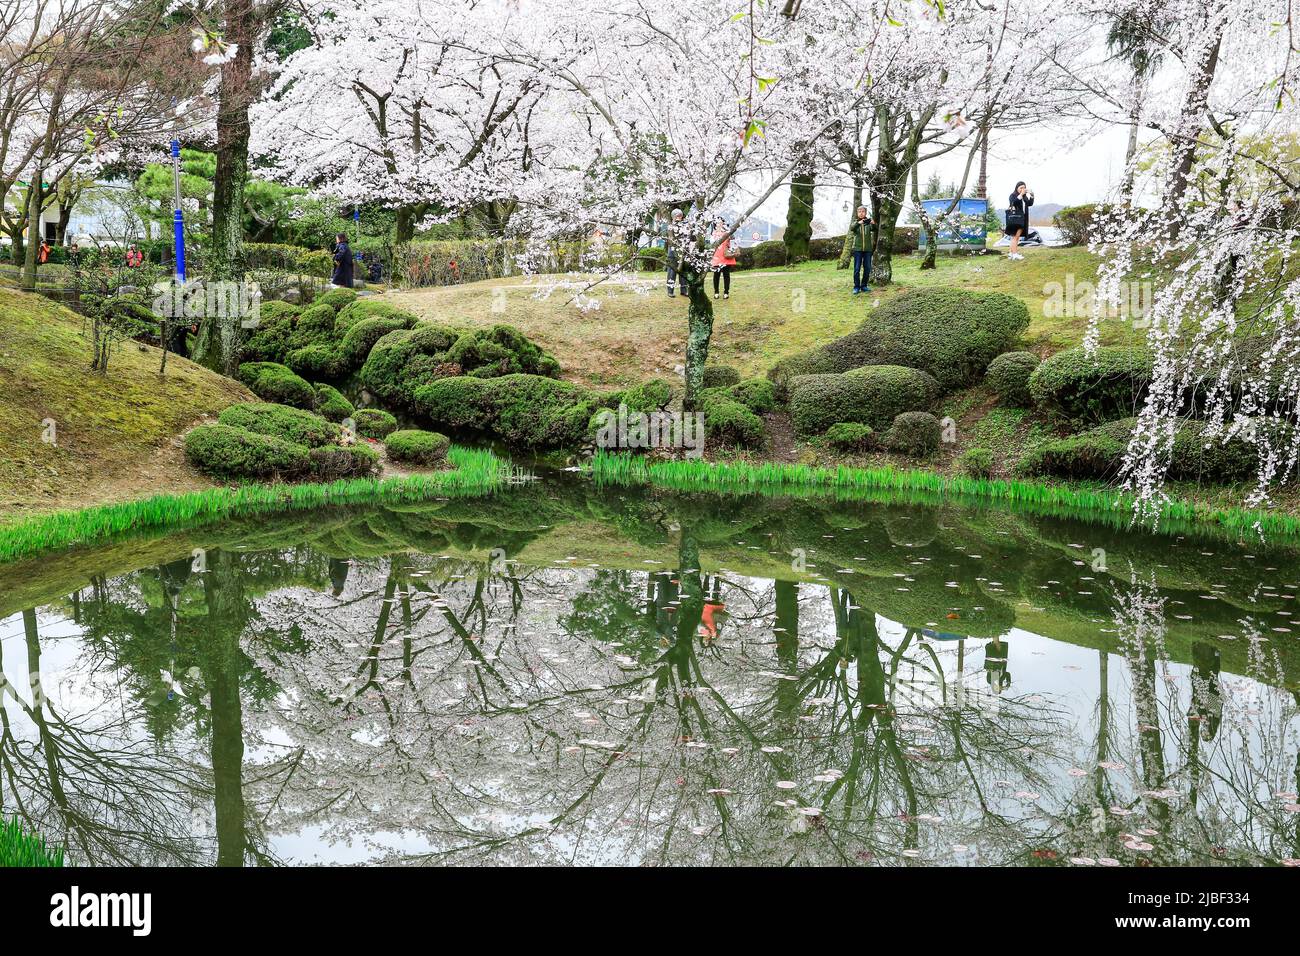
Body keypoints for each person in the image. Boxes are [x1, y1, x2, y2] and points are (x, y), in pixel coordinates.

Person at [848, 205, 875, 293]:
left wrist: (873, 223)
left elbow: (874, 229)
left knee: (867, 268)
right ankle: (856, 287)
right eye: (859, 211)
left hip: (868, 249)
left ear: (865, 213)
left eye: (863, 211)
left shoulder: (868, 223)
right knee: (856, 269)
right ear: (857, 213)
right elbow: (852, 228)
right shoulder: (855, 222)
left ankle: (864, 286)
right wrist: (858, 223)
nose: (861, 213)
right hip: (857, 249)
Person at [1006, 182, 1034, 261]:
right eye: (1021, 187)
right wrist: (1021, 195)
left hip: (1022, 218)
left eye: (1024, 187)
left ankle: (1011, 253)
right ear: (1017, 188)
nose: (1022, 189)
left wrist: (1032, 195)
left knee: (1015, 237)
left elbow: (1029, 203)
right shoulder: (1013, 195)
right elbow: (1013, 203)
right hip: (1015, 218)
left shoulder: (1024, 196)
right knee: (1016, 236)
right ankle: (1015, 254)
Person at [710, 219, 737, 299]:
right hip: (717, 256)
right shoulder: (713, 233)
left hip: (726, 256)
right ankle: (716, 292)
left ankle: (726, 292)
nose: (719, 224)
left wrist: (729, 232)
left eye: (721, 222)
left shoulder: (727, 232)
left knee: (726, 275)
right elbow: (712, 244)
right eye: (718, 222)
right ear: (715, 224)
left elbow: (733, 240)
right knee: (716, 275)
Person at [663, 208, 686, 297]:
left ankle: (684, 290)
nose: (679, 218)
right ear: (673, 216)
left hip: (682, 252)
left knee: (683, 272)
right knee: (671, 272)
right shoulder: (669, 226)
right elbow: (668, 239)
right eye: (677, 216)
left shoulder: (684, 226)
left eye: (680, 216)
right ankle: (670, 291)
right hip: (672, 252)